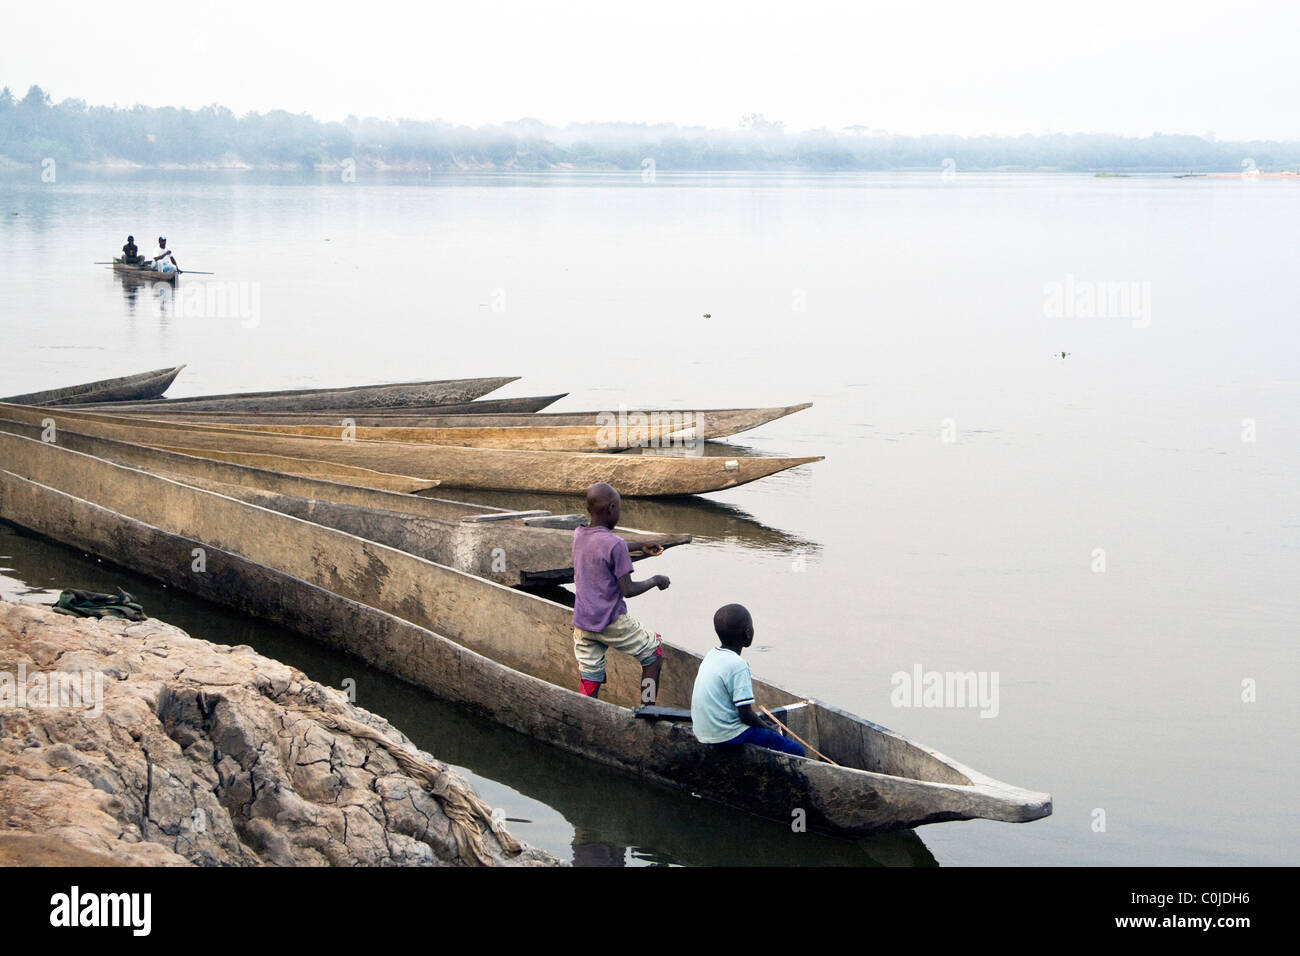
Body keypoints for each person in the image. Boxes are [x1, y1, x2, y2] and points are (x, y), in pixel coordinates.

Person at [571, 482, 669, 702]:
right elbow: (629, 590)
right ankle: (648, 707)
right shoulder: (615, 545)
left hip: (582, 621)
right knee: (653, 654)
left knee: (590, 674)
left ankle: (586, 710)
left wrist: (640, 544)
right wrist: (656, 580)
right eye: (620, 509)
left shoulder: (579, 534)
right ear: (611, 509)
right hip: (609, 621)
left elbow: (605, 544)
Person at [690, 604, 805, 756]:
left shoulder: (711, 655)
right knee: (796, 750)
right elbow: (745, 714)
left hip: (702, 732)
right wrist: (769, 729)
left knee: (764, 729)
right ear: (748, 633)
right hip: (727, 736)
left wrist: (762, 725)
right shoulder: (738, 665)